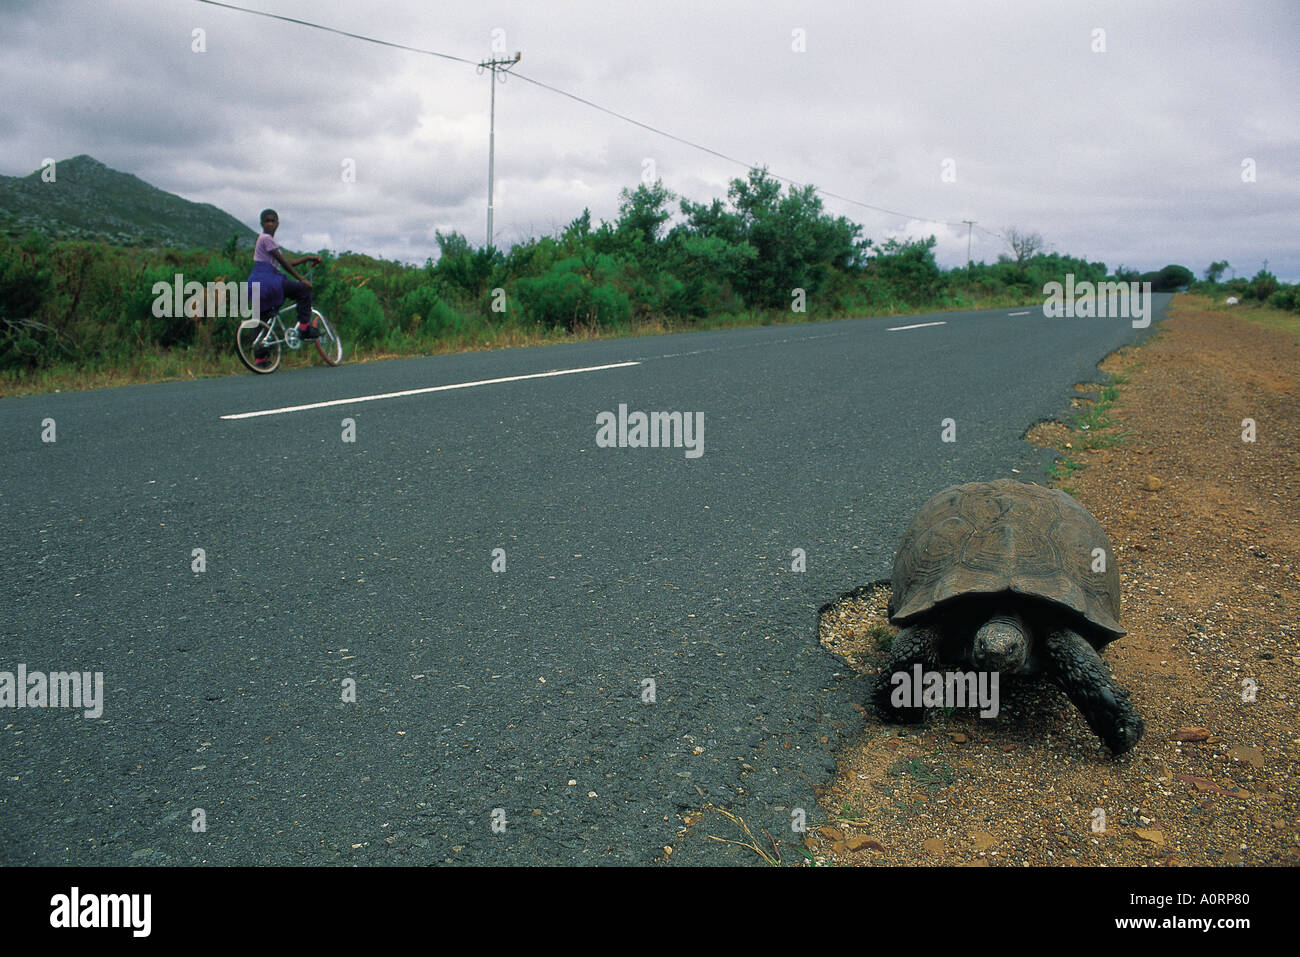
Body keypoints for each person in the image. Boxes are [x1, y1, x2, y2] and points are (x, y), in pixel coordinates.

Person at [248, 208, 322, 339]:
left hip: (255, 285)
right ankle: (305, 329)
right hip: (268, 282)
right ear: (261, 224)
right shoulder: (266, 239)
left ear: (277, 223)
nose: (270, 224)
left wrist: (307, 258)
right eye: (267, 221)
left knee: (262, 320)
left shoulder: (263, 240)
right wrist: (301, 279)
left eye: (272, 221)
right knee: (304, 290)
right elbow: (283, 262)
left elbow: (285, 262)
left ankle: (260, 358)